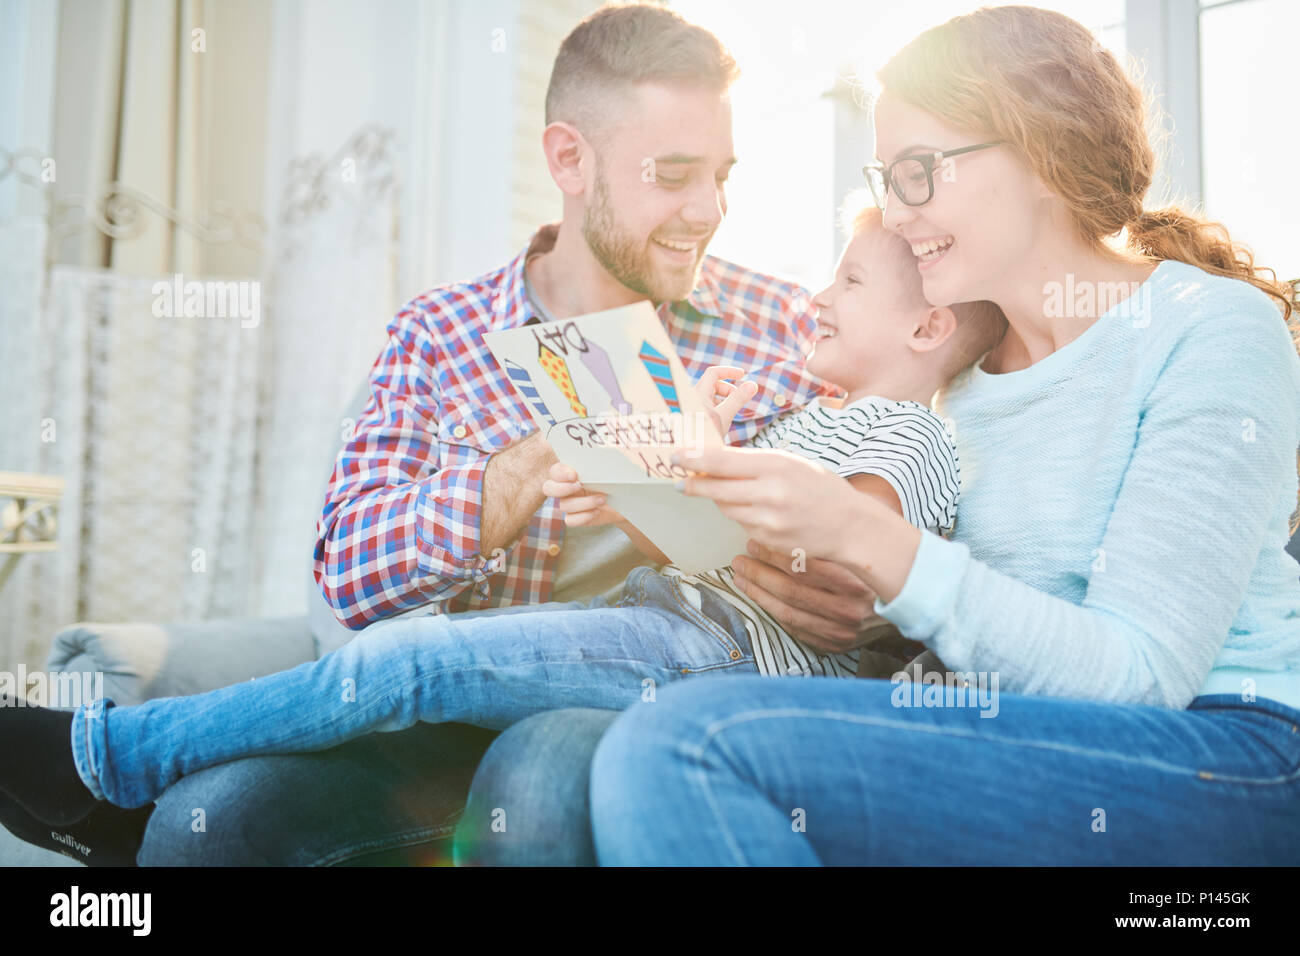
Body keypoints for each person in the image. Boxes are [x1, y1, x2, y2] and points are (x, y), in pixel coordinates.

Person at [0, 4, 880, 866]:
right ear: (569, 159)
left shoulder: (786, 328)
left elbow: (858, 527)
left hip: (629, 708)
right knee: (218, 817)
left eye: (722, 173)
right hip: (434, 712)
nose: (708, 208)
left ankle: (99, 752)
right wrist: (530, 467)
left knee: (538, 774)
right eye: (675, 172)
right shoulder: (439, 332)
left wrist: (814, 576)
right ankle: (102, 776)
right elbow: (347, 571)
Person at [460, 4, 1300, 866]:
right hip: (1021, 725)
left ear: (1045, 154)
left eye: (919, 172)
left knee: (684, 744)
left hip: (1224, 752)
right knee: (617, 746)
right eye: (885, 177)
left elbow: (1141, 678)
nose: (894, 214)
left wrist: (864, 536)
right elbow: (959, 617)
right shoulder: (953, 387)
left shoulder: (1208, 330)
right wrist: (827, 594)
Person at [0, 203, 1006, 823]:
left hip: (721, 661)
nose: (815, 295)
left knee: (403, 662)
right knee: (402, 656)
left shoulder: (910, 439)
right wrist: (628, 474)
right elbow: (724, 543)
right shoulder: (812, 413)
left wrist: (705, 452)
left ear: (924, 325)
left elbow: (841, 556)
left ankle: (111, 758)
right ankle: (112, 760)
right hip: (678, 621)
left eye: (849, 279)